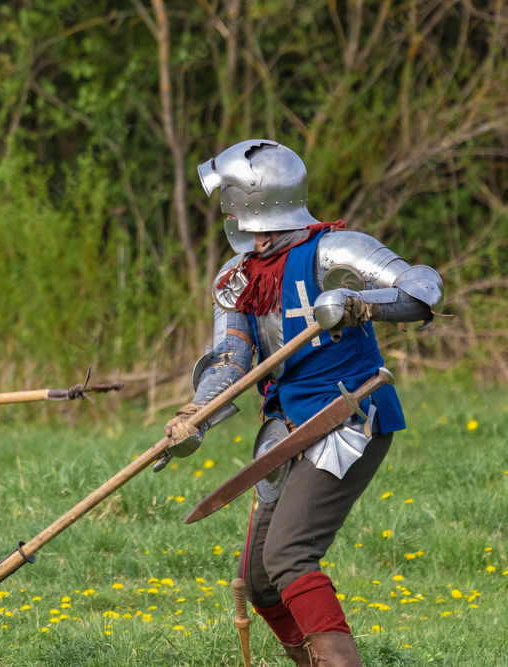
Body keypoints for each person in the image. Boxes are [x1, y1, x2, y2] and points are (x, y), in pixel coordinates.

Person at [163, 140, 443, 665]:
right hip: (284, 430)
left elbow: (425, 289)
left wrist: (361, 302)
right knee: (261, 583)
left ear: (252, 198)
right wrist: (193, 417)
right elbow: (230, 358)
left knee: (289, 556)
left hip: (348, 418)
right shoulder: (236, 275)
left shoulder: (335, 251)